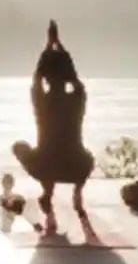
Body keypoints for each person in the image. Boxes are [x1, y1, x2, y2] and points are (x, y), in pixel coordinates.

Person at [12, 20, 93, 234]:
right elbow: (77, 83)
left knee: (23, 148)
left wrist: (49, 46)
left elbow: (36, 79)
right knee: (84, 155)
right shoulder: (75, 102)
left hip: (47, 166)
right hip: (77, 167)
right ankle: (77, 192)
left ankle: (47, 193)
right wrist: (61, 50)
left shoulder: (42, 103)